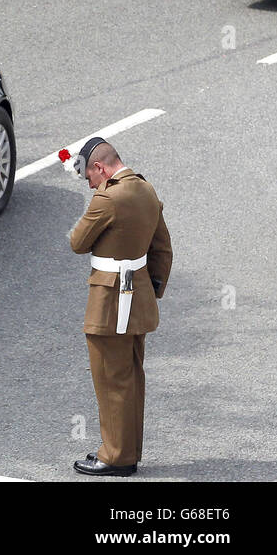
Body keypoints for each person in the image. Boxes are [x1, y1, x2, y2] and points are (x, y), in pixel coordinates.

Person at [68, 137, 173, 477]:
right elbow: (162, 248)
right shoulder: (145, 189)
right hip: (137, 297)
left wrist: (98, 202)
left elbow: (77, 243)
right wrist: (151, 289)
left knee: (111, 380)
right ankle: (128, 449)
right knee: (130, 378)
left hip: (110, 302)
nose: (90, 184)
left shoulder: (108, 198)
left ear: (100, 167)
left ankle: (116, 457)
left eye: (89, 177)